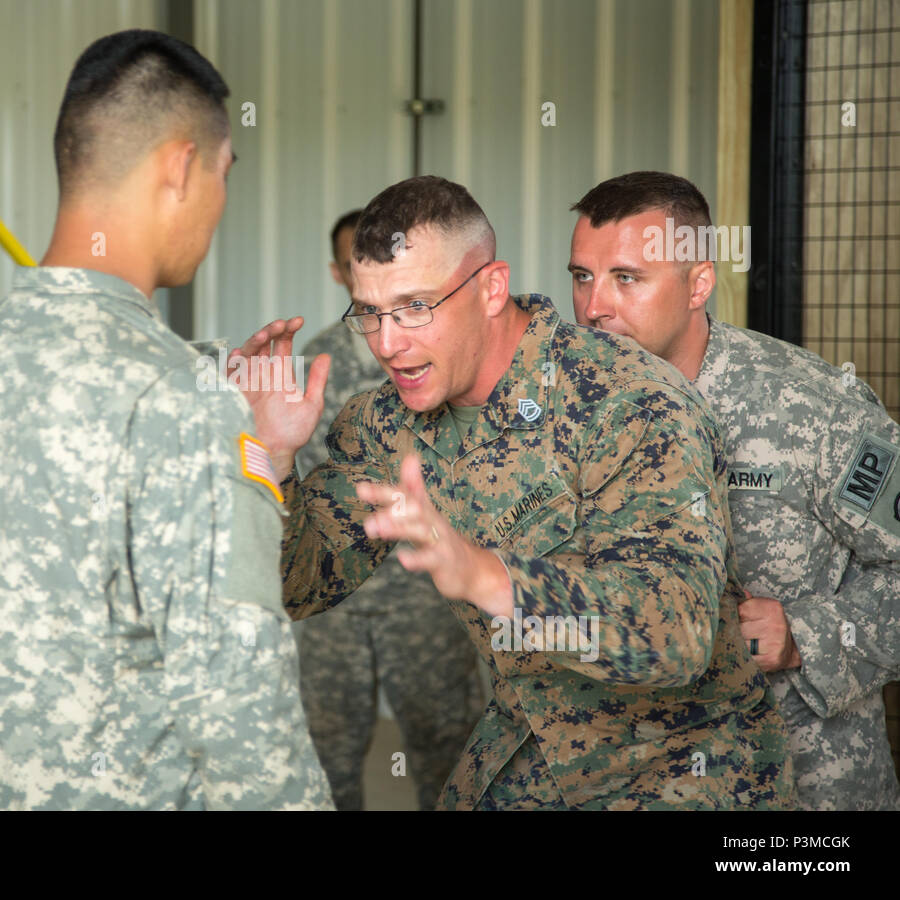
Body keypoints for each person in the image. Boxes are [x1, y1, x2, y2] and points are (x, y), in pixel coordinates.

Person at [0, 29, 332, 810]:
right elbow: (241, 716)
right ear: (181, 167)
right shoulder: (177, 398)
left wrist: (253, 452)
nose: (222, 204)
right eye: (225, 174)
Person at [233, 174, 794, 809]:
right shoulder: (384, 425)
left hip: (685, 767)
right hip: (529, 746)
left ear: (491, 288)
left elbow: (675, 638)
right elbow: (298, 585)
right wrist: (270, 457)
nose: (388, 344)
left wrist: (486, 577)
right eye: (371, 313)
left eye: (417, 307)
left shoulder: (631, 399)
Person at [567, 170, 900, 810]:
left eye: (626, 278)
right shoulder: (564, 414)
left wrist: (807, 634)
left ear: (698, 283)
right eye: (583, 276)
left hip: (803, 791)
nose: (594, 307)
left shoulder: (816, 408)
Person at [295, 209, 486, 810]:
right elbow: (308, 477)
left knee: (447, 745)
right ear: (342, 273)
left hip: (422, 590)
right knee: (329, 750)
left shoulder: (448, 358)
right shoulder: (318, 359)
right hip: (337, 603)